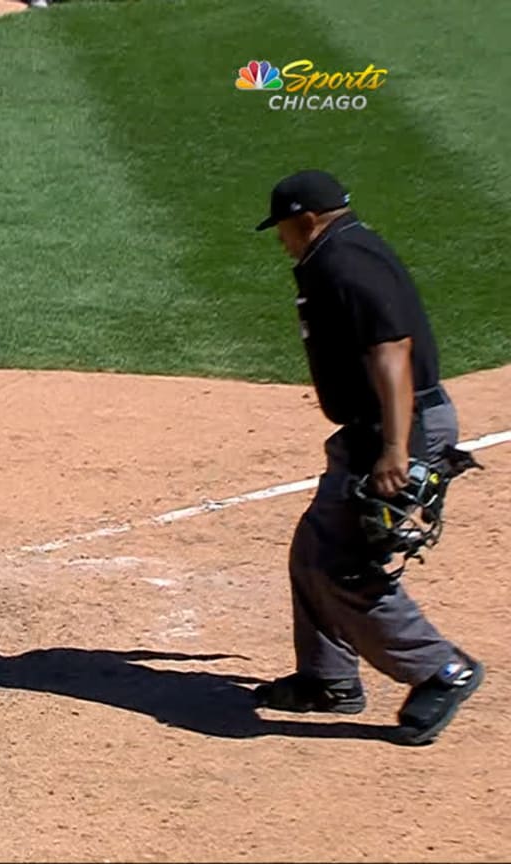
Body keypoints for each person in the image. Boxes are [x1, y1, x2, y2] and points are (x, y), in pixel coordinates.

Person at [250, 169, 483, 746]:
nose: (282, 239)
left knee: (343, 563)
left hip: (397, 427)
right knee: (315, 548)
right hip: (375, 428)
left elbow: (391, 350)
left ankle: (440, 670)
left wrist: (395, 449)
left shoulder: (343, 261)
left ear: (304, 220)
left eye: (282, 228)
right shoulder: (345, 248)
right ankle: (328, 681)